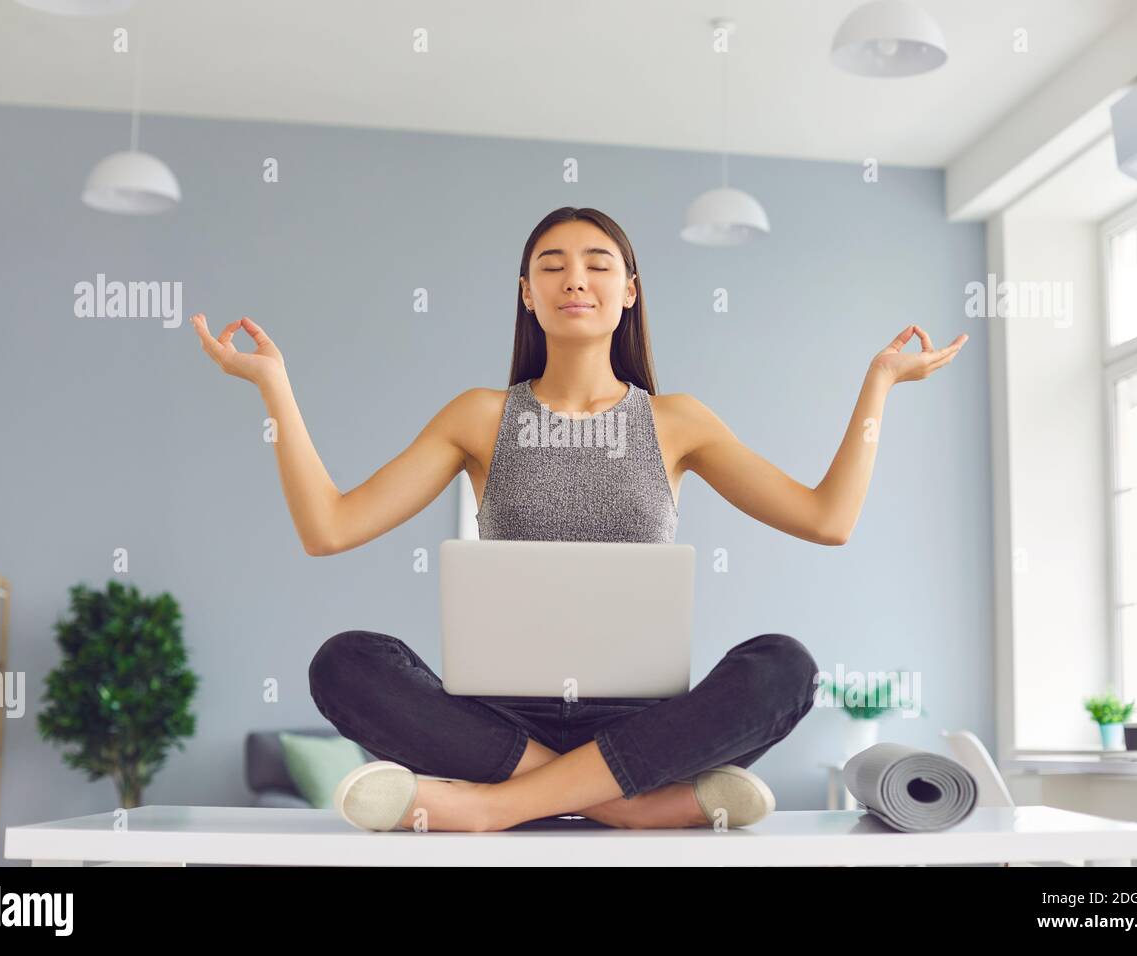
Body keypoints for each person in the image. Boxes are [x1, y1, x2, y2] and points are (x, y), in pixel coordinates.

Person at [192, 206, 968, 833]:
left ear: (630, 290)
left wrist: (880, 384)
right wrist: (275, 389)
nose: (575, 278)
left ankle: (495, 808)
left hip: (639, 720)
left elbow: (827, 519)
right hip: (501, 721)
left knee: (784, 666)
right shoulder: (478, 416)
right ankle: (632, 807)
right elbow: (328, 528)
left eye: (598, 263)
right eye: (551, 265)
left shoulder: (677, 422)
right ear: (526, 293)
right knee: (345, 661)